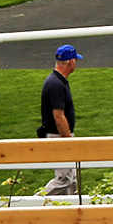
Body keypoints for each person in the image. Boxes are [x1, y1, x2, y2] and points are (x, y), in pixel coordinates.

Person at [38, 44, 83, 196]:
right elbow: (59, 117)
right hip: (59, 136)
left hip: (60, 135)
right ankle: (32, 204)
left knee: (73, 180)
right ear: (71, 62)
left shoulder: (56, 81)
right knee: (64, 179)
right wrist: (68, 139)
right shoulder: (56, 84)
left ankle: (73, 212)